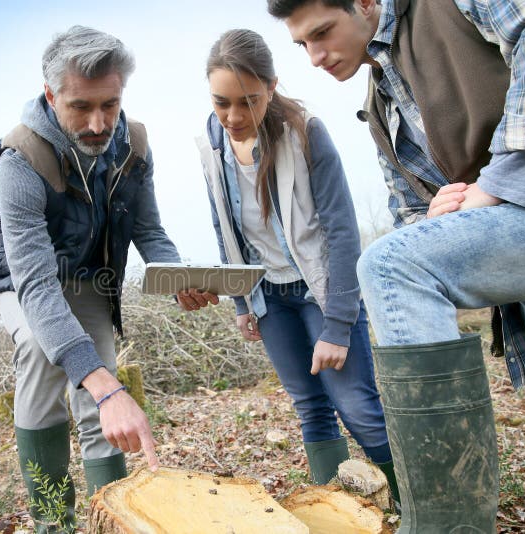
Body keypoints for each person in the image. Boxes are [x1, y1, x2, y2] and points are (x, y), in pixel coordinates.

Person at [268, 0, 525, 531]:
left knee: (389, 268)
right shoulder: (380, 105)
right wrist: (436, 213)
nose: (314, 56)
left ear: (368, 4)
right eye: (302, 44)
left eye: (322, 33)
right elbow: (411, 215)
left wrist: (498, 183)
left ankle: (446, 525)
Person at [0, 26, 216, 533]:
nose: (99, 122)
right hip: (18, 277)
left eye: (110, 104)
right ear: (51, 95)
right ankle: (53, 523)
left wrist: (175, 278)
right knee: (45, 349)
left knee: (99, 383)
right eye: (81, 107)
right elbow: (35, 285)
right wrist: (105, 387)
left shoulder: (134, 143)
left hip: (88, 279)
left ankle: (113, 518)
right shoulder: (19, 160)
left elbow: (148, 229)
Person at [196, 28, 399, 502]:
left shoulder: (306, 132)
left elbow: (343, 231)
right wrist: (241, 303)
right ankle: (333, 508)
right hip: (269, 299)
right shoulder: (211, 143)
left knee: (357, 405)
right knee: (310, 406)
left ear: (271, 86)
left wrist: (337, 323)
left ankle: (418, 498)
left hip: (322, 292)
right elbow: (223, 225)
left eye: (247, 101)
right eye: (221, 102)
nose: (233, 116)